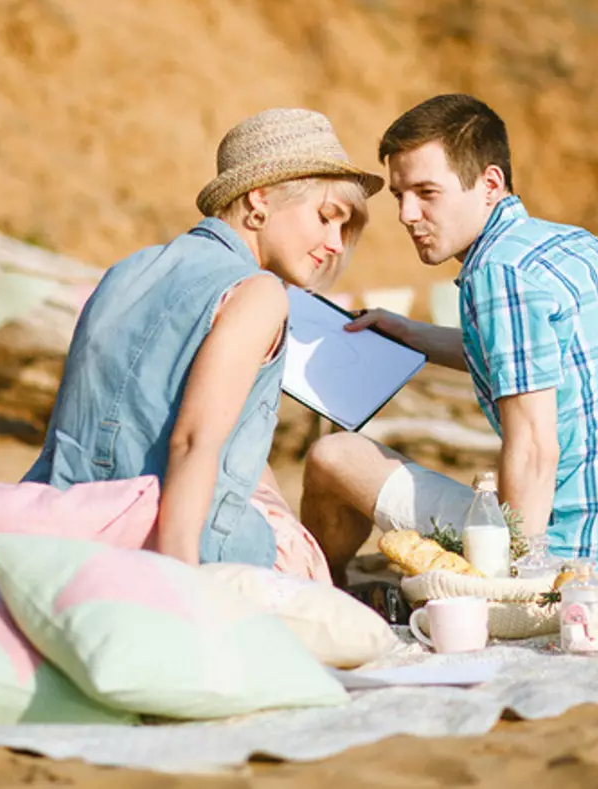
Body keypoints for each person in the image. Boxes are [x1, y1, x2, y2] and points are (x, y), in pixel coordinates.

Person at [300, 94, 598, 582]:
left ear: (489, 184)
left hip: (580, 555)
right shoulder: (572, 246)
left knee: (332, 457)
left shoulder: (500, 272)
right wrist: (409, 333)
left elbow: (535, 448)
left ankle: (326, 589)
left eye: (426, 192)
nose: (406, 214)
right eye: (398, 195)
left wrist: (516, 580)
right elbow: (524, 360)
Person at [22, 108, 383, 571]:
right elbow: (193, 442)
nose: (335, 243)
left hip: (53, 520)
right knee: (311, 545)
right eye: (326, 217)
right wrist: (180, 583)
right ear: (259, 201)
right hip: (175, 541)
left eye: (344, 228)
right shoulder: (259, 293)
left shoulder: (127, 270)